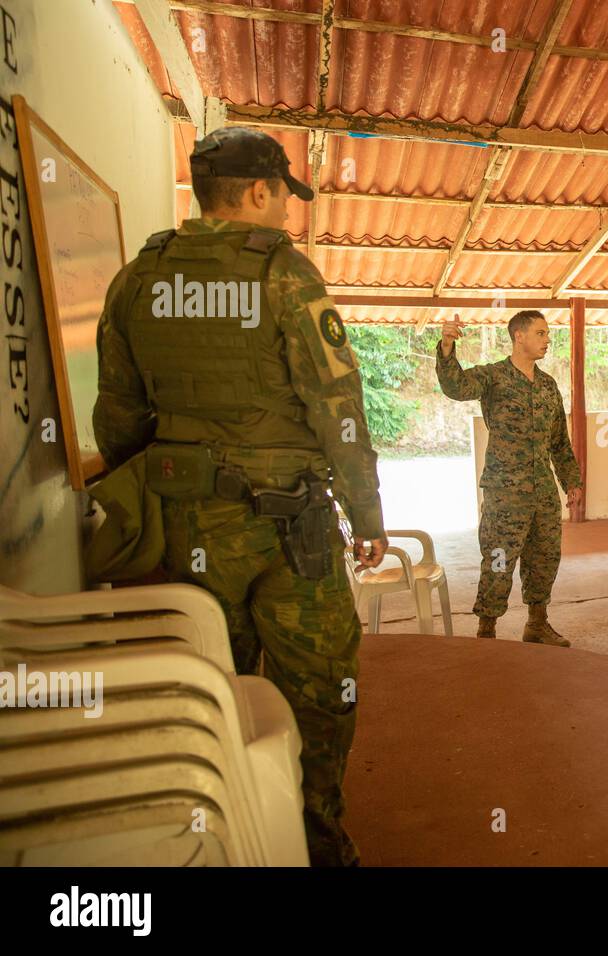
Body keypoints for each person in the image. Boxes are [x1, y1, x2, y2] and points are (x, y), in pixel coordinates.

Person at [92, 127, 385, 867]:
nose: (288, 208)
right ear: (258, 191)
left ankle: (227, 838)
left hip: (187, 525)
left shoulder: (138, 278)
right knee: (320, 688)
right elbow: (339, 412)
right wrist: (367, 514)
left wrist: (155, 499)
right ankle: (314, 841)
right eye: (284, 193)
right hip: (290, 531)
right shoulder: (285, 276)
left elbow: (118, 415)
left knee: (209, 687)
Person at [437, 310, 583, 645]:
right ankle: (486, 631)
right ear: (520, 336)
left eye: (547, 334)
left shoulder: (547, 385)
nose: (548, 340)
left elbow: (559, 440)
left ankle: (537, 623)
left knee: (544, 557)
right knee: (498, 560)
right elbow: (456, 387)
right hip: (506, 492)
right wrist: (447, 346)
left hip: (542, 492)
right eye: (541, 333)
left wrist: (570, 481)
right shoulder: (494, 377)